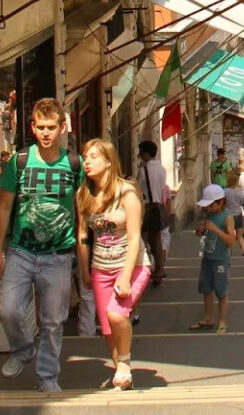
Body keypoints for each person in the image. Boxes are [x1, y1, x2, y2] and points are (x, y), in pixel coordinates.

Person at [0, 98, 82, 393]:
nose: (45, 133)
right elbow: (3, 207)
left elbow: (84, 208)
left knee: (53, 322)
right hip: (21, 251)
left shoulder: (73, 164)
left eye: (51, 127)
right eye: (40, 127)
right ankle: (22, 350)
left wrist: (85, 253)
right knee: (8, 309)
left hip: (58, 255)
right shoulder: (18, 162)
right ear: (31, 127)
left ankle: (47, 377)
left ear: (62, 128)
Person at [75, 138, 150, 391]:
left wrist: (126, 276)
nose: (87, 162)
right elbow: (83, 235)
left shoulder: (127, 191)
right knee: (107, 328)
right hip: (100, 267)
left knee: (116, 314)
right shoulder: (84, 194)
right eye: (85, 157)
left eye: (94, 156)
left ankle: (125, 363)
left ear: (108, 161)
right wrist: (85, 269)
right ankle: (122, 372)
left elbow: (134, 235)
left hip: (132, 264)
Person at [191, 184, 235, 333]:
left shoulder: (227, 217)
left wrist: (216, 230)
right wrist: (200, 230)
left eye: (210, 205)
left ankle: (222, 321)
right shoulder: (209, 214)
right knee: (206, 288)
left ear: (220, 202)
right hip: (208, 256)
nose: (207, 209)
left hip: (220, 259)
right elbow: (204, 232)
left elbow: (231, 240)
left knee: (221, 291)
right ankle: (208, 317)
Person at [136, 140, 171, 287]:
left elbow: (138, 189)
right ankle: (160, 269)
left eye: (141, 153)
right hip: (158, 206)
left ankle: (144, 268)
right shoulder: (162, 169)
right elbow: (163, 188)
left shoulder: (143, 170)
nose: (140, 156)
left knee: (142, 239)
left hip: (146, 207)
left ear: (146, 153)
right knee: (156, 239)